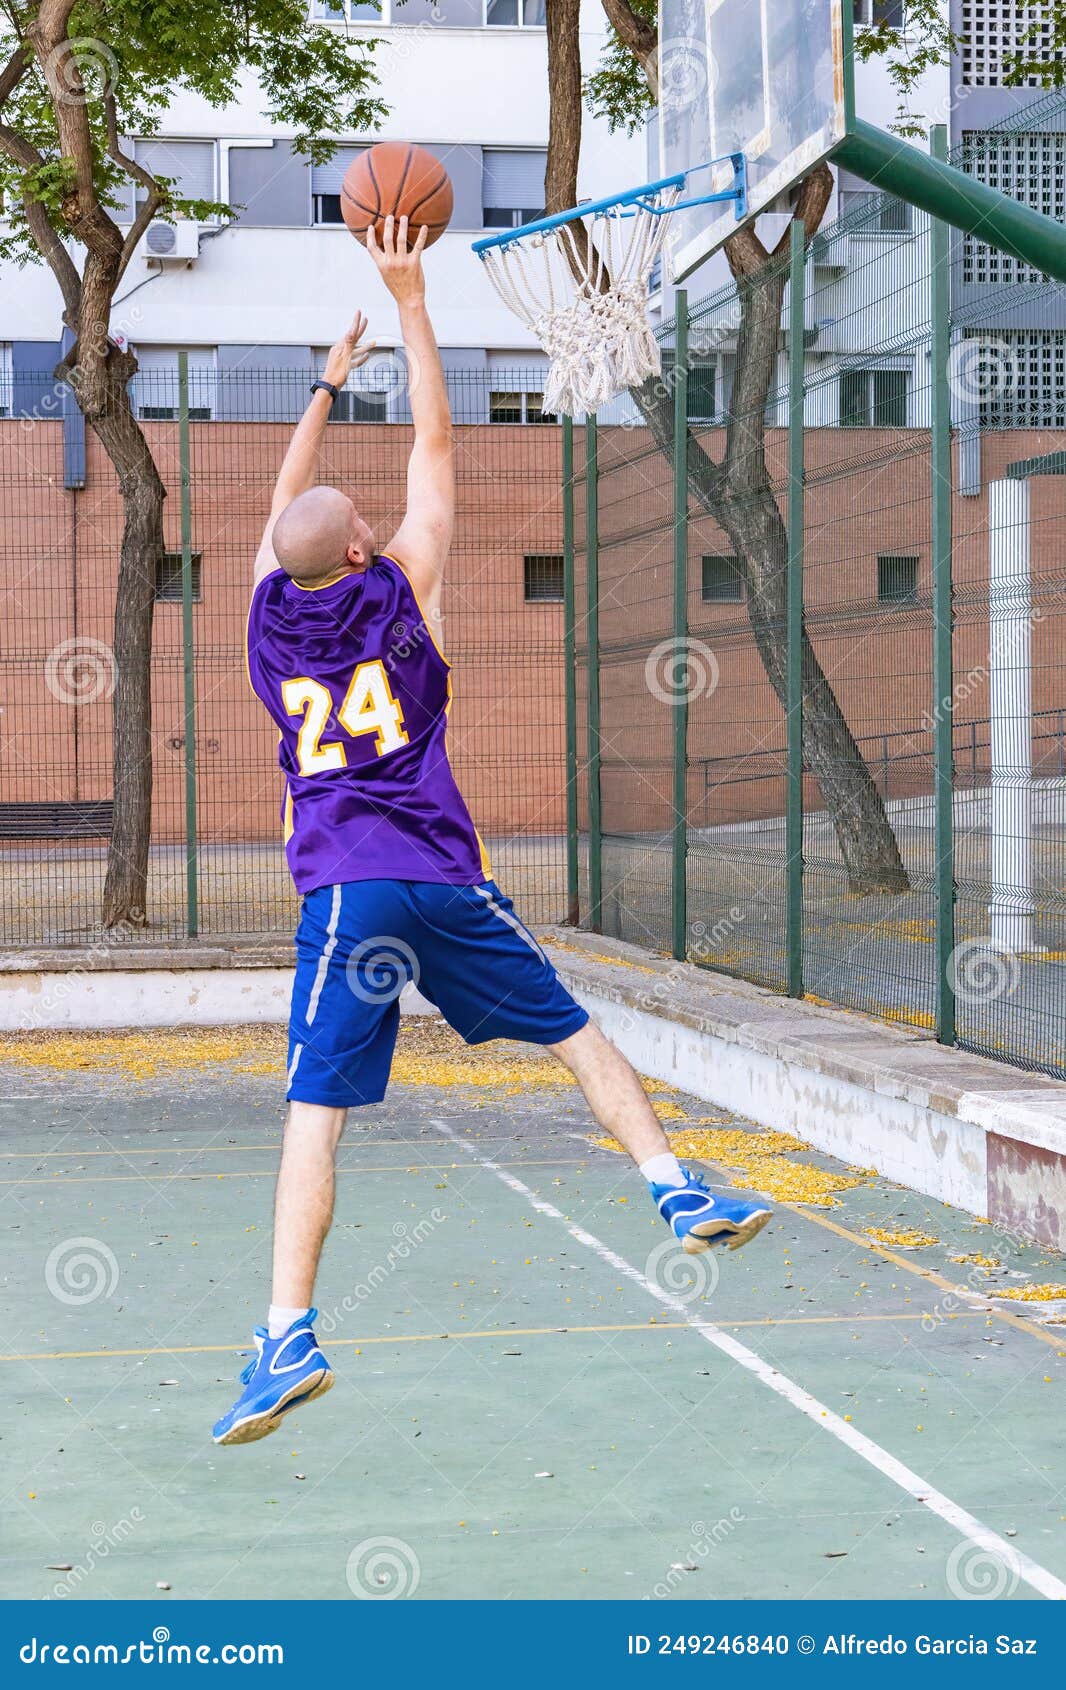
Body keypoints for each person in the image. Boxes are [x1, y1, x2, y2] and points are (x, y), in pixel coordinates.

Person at [212, 216, 771, 1446]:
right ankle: (674, 1191)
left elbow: (277, 511)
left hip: (347, 897)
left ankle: (284, 1334)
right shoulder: (404, 585)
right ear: (362, 547)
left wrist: (320, 381)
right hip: (445, 878)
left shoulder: (264, 620)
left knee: (317, 1105)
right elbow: (435, 441)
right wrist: (410, 303)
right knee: (573, 1034)